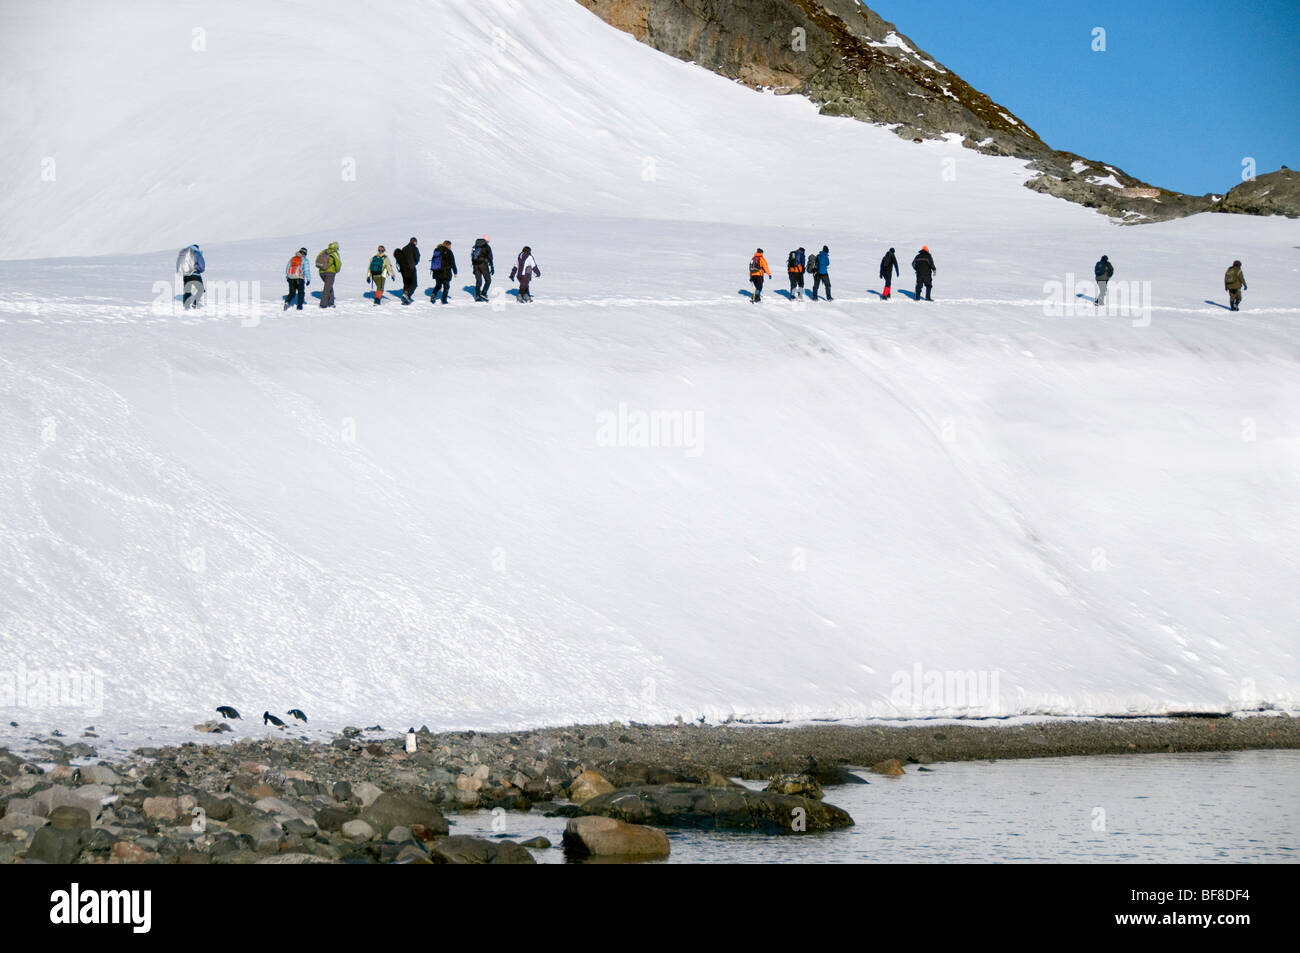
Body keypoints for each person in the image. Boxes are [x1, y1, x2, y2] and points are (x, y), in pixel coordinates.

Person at [176, 244, 205, 309]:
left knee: (187, 290)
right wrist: (199, 269)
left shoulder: (184, 252)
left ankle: (186, 306)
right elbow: (202, 266)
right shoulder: (197, 253)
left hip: (185, 274)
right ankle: (194, 303)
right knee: (200, 289)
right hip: (194, 274)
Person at [283, 246, 311, 310]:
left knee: (292, 292)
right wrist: (308, 279)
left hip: (291, 278)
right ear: (305, 253)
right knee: (301, 293)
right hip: (299, 278)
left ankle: (287, 302)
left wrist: (287, 277)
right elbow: (306, 270)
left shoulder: (292, 258)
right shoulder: (305, 260)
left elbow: (287, 268)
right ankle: (299, 306)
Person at [429, 240, 457, 304]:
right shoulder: (449, 252)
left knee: (438, 285)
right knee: (446, 287)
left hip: (437, 272)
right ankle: (444, 300)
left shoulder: (437, 250)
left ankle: (433, 294)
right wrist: (455, 271)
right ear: (448, 245)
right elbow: (452, 263)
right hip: (445, 272)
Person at [393, 237, 419, 305]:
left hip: (403, 269)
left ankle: (405, 298)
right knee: (414, 284)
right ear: (415, 242)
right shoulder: (414, 248)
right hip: (410, 268)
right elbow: (417, 257)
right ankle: (406, 294)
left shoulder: (404, 248)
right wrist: (413, 263)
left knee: (406, 283)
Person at [315, 242, 341, 308]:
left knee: (329, 286)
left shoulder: (323, 251)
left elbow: (316, 260)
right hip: (330, 273)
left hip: (321, 272)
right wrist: (336, 271)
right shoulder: (334, 252)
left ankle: (331, 303)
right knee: (327, 288)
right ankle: (323, 304)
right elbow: (338, 263)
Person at [471, 236, 495, 301]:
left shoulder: (475, 246)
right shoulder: (487, 247)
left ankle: (477, 296)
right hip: (483, 265)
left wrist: (474, 268)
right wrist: (492, 267)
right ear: (486, 241)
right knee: (488, 280)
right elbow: (490, 257)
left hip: (476, 265)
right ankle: (483, 293)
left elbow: (472, 257)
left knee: (478, 281)